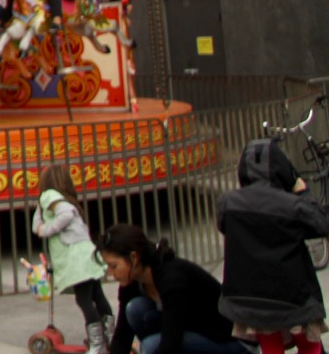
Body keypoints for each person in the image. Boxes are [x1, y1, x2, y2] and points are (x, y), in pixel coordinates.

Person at [215, 138, 329, 354]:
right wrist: (302, 192)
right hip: (295, 298)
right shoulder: (291, 205)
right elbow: (321, 224)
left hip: (251, 298)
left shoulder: (227, 203)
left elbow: (225, 227)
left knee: (270, 345)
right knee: (308, 344)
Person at [97, 223, 243, 354]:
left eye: (113, 266)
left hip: (227, 341)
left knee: (150, 346)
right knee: (134, 309)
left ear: (134, 258)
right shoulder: (132, 280)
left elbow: (170, 345)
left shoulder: (172, 278)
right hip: (189, 331)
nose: (110, 273)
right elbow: (123, 335)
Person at [33, 163, 113, 354]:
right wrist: (40, 215)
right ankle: (109, 336)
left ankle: (97, 344)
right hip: (88, 253)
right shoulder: (66, 200)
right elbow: (39, 221)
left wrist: (47, 229)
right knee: (97, 295)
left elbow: (60, 217)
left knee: (84, 300)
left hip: (76, 259)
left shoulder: (49, 196)